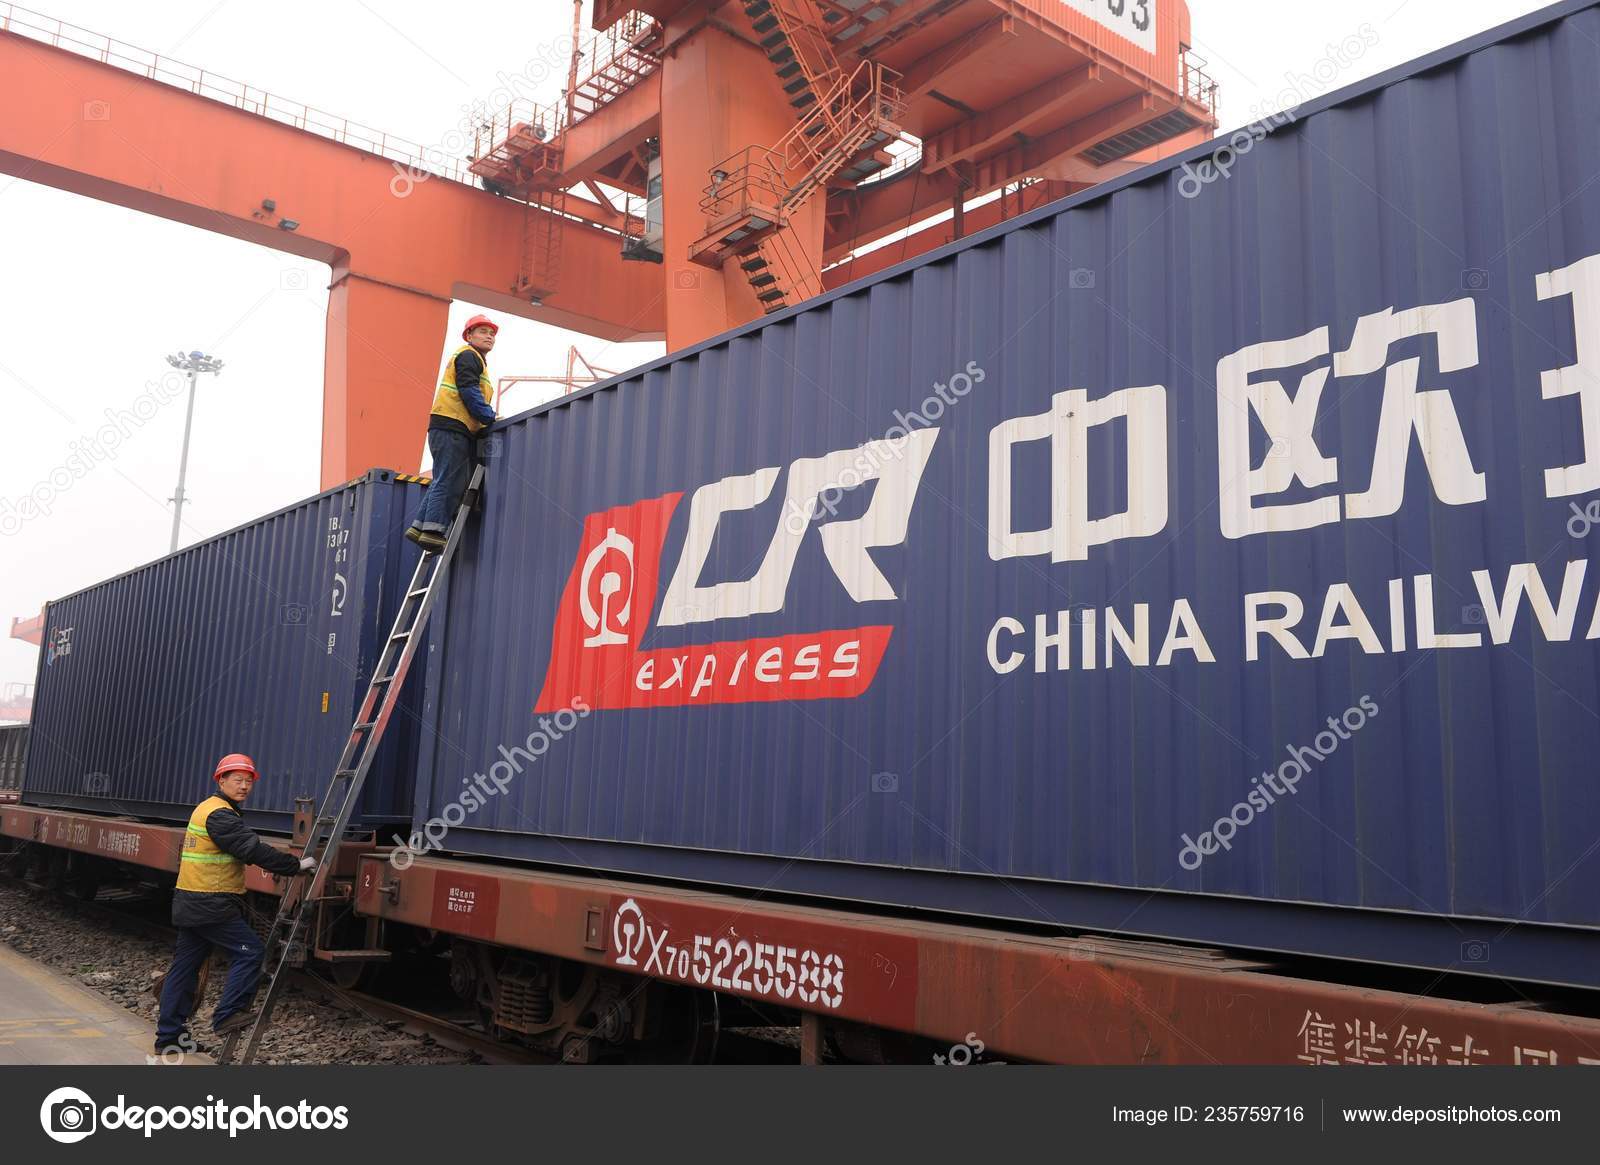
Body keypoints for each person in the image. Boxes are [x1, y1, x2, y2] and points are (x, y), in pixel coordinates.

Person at [154, 753, 313, 1053]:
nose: (243, 786)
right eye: (237, 780)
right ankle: (227, 1016)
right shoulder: (220, 814)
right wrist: (296, 866)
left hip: (192, 900)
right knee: (251, 951)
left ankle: (169, 1038)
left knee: (184, 968)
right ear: (221, 780)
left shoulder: (212, 809)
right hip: (209, 904)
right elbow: (251, 849)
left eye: (248, 781)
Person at [406, 314, 498, 551]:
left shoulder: (474, 359)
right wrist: (490, 417)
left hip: (447, 425)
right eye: (483, 331)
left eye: (492, 333)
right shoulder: (469, 356)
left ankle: (418, 526)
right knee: (450, 479)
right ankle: (433, 530)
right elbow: (469, 391)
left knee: (442, 477)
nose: (489, 336)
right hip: (452, 425)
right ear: (469, 336)